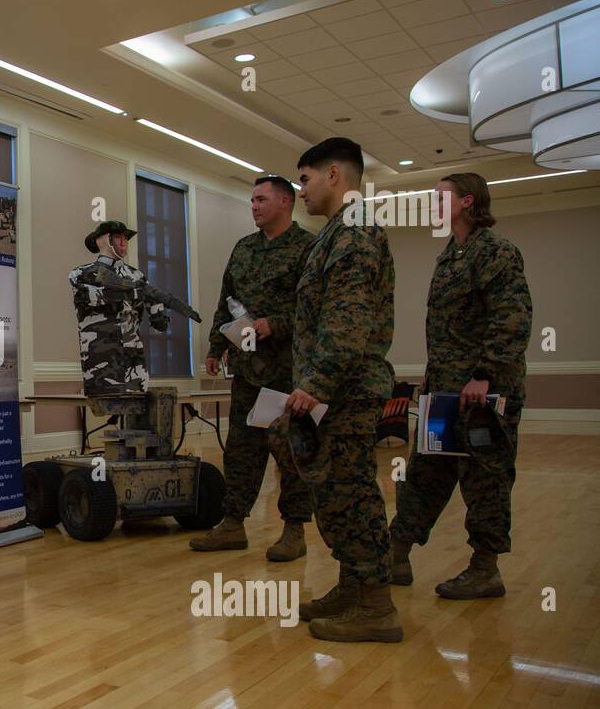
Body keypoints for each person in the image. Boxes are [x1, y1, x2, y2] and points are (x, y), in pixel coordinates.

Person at [389, 173, 532, 599]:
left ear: (468, 201)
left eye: (440, 197)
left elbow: (512, 318)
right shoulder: (451, 253)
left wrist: (484, 373)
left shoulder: (497, 251)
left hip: (482, 393)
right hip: (445, 390)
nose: (433, 204)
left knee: (484, 479)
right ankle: (397, 552)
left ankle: (485, 568)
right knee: (425, 472)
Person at [287, 138, 400, 643]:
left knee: (350, 495)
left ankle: (376, 604)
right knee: (335, 494)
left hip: (345, 390)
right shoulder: (335, 232)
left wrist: (316, 384)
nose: (301, 190)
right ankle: (354, 586)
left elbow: (346, 321)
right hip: (337, 389)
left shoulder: (353, 233)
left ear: (334, 175)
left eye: (305, 179)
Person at [192, 176, 316, 560]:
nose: (254, 206)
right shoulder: (243, 248)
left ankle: (294, 530)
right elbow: (226, 301)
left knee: (290, 452)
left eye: (261, 199)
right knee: (241, 449)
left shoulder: (307, 248)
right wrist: (215, 345)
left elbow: (317, 309)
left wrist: (274, 323)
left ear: (285, 201)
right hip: (247, 368)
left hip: (289, 371)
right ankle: (233, 523)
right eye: (252, 200)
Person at [69, 220, 199, 396]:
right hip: (101, 356)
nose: (123, 242)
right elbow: (92, 298)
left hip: (133, 355)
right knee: (108, 401)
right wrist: (136, 293)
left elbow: (153, 303)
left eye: (125, 238)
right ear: (104, 240)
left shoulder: (136, 275)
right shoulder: (82, 274)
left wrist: (157, 309)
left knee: (137, 407)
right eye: (117, 237)